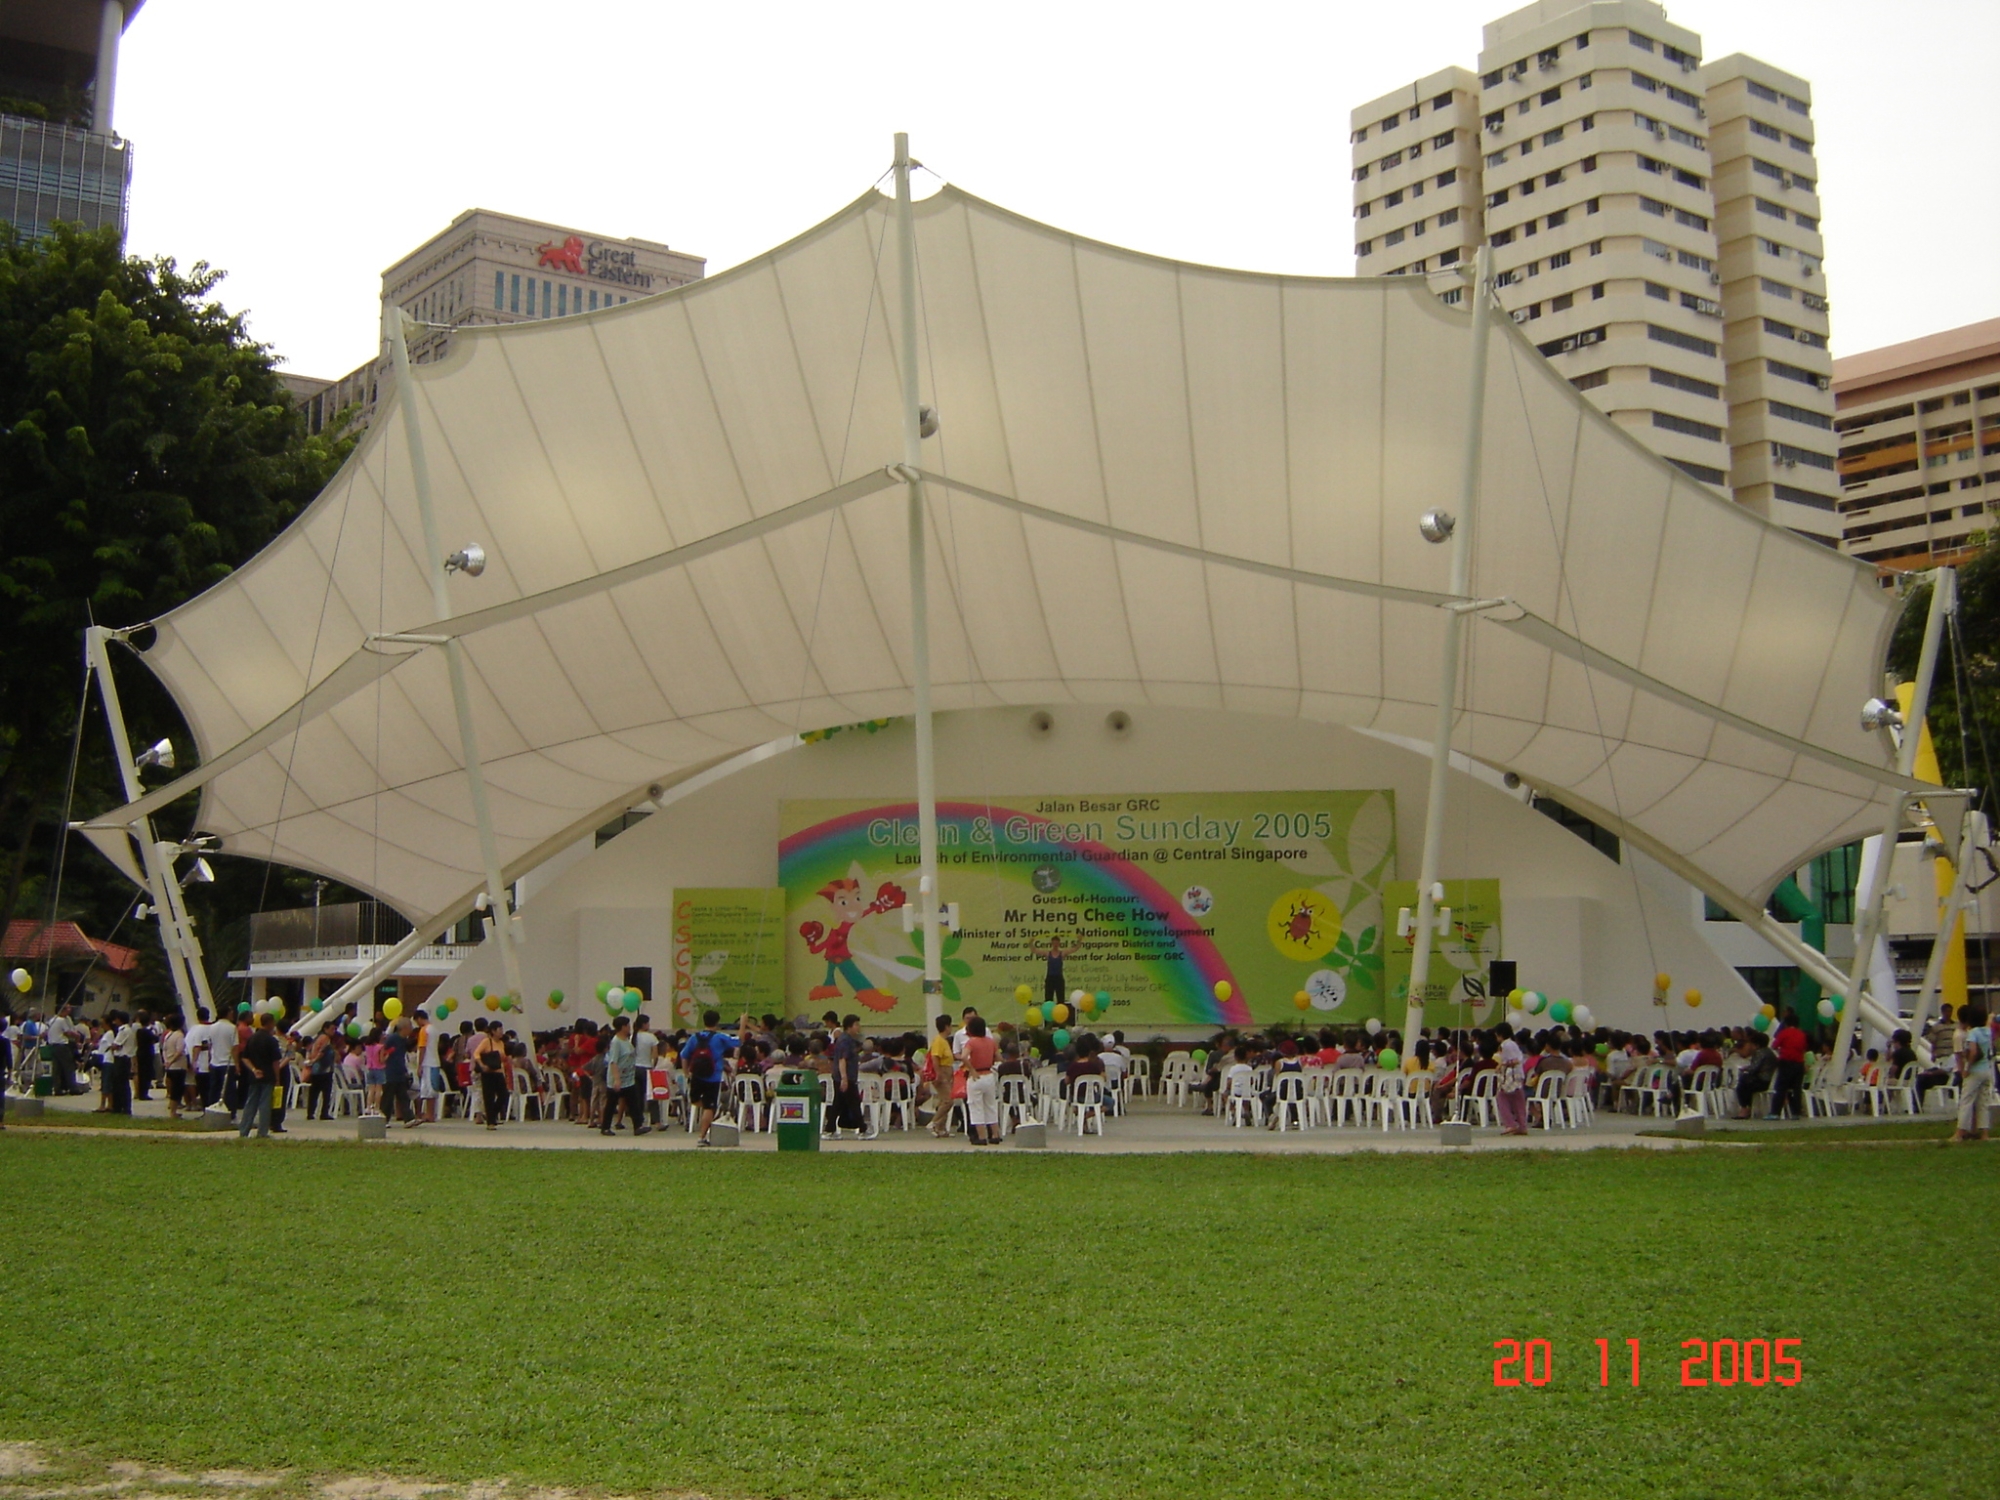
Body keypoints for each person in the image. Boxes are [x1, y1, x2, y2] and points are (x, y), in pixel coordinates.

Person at [681, 1009, 738, 1146]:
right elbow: (739, 1042)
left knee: (694, 1100)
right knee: (708, 1106)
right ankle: (702, 1136)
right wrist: (742, 1024)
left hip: (696, 1075)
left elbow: (684, 1055)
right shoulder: (720, 1037)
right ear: (717, 1022)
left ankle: (710, 1113)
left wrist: (686, 1073)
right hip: (713, 1077)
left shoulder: (695, 1037)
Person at [600, 1016, 649, 1136]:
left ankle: (638, 1126)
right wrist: (617, 1079)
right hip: (618, 1079)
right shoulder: (616, 1042)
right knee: (611, 1103)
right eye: (627, 1025)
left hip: (629, 1078)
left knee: (634, 1103)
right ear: (622, 1027)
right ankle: (605, 1127)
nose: (629, 1027)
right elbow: (613, 1061)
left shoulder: (626, 1040)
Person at [1951, 1002, 1992, 1143]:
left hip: (1975, 1071)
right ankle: (1984, 1133)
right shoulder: (1988, 1031)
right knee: (1983, 1103)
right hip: (1987, 1070)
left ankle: (1960, 1132)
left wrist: (1967, 1068)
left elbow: (1973, 1051)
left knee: (1966, 1101)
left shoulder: (1972, 1033)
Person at [236, 1015, 283, 1139]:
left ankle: (244, 1130)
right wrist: (277, 1078)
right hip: (268, 1075)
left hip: (254, 1076)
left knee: (251, 1103)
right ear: (270, 1023)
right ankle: (262, 1131)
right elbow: (275, 1062)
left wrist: (253, 1069)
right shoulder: (271, 1040)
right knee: (265, 1104)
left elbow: (245, 1057)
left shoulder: (252, 1038)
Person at [959, 1015, 1000, 1144]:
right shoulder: (991, 1042)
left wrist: (971, 1069)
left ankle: (982, 1137)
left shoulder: (971, 1042)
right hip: (989, 1075)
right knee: (990, 1105)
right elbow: (998, 1057)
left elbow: (963, 1057)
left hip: (976, 1076)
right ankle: (995, 1134)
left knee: (976, 1106)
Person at [827, 1015, 866, 1138]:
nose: (858, 1027)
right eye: (856, 1025)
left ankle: (830, 1128)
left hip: (844, 1077)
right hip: (845, 1077)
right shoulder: (845, 1040)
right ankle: (862, 1128)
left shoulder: (849, 1039)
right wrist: (844, 1078)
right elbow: (842, 1060)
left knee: (838, 1103)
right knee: (854, 1102)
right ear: (849, 1026)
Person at [1769, 1009, 1809, 1120]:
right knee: (1796, 1089)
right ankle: (1796, 1112)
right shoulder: (1802, 1034)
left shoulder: (1784, 1033)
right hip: (1799, 1064)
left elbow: (1774, 1046)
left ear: (1786, 1023)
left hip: (1786, 1062)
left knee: (1781, 1088)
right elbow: (1803, 1048)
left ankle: (1775, 1113)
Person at [380, 1018, 418, 1126]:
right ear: (404, 1028)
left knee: (403, 1096)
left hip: (400, 1072)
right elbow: (383, 1049)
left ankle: (409, 1118)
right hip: (391, 1072)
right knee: (388, 1098)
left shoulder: (403, 1040)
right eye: (410, 1027)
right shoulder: (392, 1039)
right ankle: (383, 1119)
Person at [925, 1014, 958, 1137]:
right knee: (948, 1100)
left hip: (948, 1071)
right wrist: (939, 1074)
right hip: (942, 1071)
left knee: (943, 1100)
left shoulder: (944, 1041)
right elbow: (935, 1058)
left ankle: (941, 1128)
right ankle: (934, 1122)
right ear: (946, 1027)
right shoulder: (938, 1041)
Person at [472, 1021, 509, 1130]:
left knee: (503, 1095)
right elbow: (476, 1053)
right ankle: (490, 1122)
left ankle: (492, 1114)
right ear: (493, 1031)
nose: (501, 1032)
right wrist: (482, 1065)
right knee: (489, 1097)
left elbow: (503, 1057)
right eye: (499, 1029)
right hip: (488, 1073)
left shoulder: (501, 1043)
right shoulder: (486, 1042)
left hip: (498, 1072)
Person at [1495, 1023, 1529, 1136]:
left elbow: (1514, 1060)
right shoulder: (1513, 1044)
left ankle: (1510, 1123)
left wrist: (1502, 1064)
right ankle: (1522, 1125)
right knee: (1518, 1101)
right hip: (1519, 1075)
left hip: (1510, 1075)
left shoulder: (1506, 1045)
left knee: (1501, 1098)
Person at [161, 1013, 189, 1119]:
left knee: (173, 1089)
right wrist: (172, 1061)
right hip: (178, 1066)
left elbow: (164, 1049)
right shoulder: (179, 1035)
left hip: (170, 1066)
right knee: (177, 1090)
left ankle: (173, 1109)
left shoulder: (168, 1035)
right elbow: (180, 1051)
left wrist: (166, 1061)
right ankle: (173, 1112)